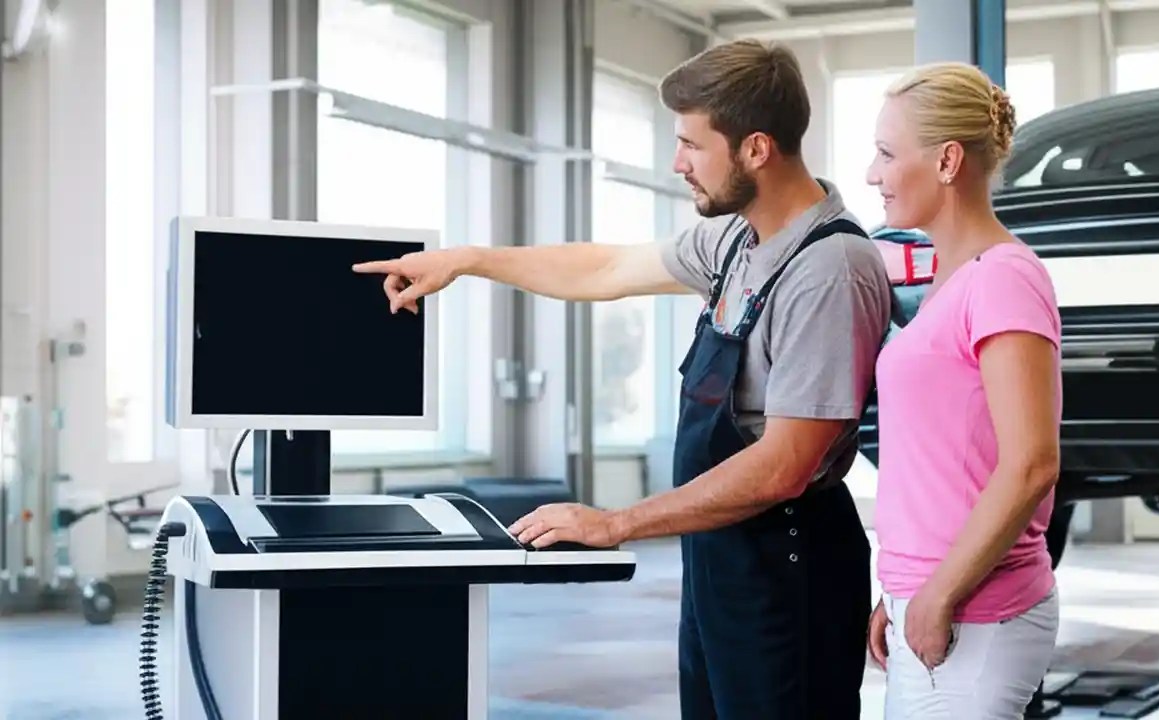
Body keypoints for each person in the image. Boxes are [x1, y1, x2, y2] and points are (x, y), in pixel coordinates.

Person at [354, 39, 891, 720]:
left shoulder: (829, 269)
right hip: (721, 564)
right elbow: (605, 269)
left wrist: (617, 523)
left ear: (756, 149)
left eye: (692, 145)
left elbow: (785, 466)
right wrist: (469, 260)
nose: (678, 164)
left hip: (789, 570)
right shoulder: (737, 240)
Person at [862, 62, 1063, 719]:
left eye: (887, 154)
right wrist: (900, 592)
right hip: (934, 603)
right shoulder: (952, 282)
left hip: (977, 612)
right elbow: (945, 460)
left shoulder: (1002, 278)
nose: (873, 174)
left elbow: (1032, 462)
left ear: (948, 160)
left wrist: (938, 593)